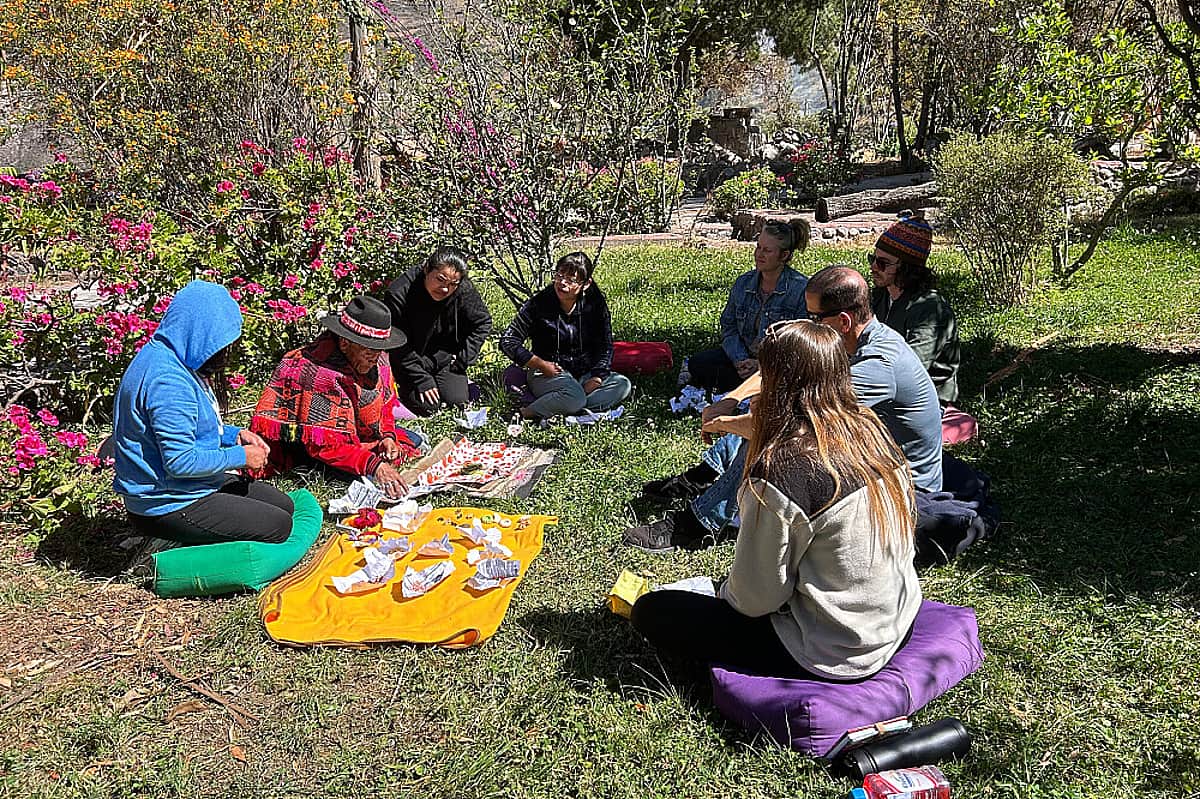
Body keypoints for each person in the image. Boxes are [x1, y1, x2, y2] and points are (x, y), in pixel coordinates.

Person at [630, 320, 922, 680]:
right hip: (896, 621)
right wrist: (723, 424)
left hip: (834, 650)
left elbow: (756, 601)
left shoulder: (782, 474)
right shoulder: (867, 427)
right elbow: (771, 424)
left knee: (651, 610)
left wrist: (724, 593)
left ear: (775, 382)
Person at [625, 265, 943, 552]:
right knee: (766, 409)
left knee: (768, 435)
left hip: (900, 490)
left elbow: (786, 427)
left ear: (843, 321)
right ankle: (706, 476)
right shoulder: (847, 340)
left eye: (815, 318)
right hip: (865, 458)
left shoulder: (877, 366)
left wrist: (723, 422)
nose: (809, 324)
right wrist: (731, 400)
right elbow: (780, 371)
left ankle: (697, 525)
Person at [112, 280, 294, 545]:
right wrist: (240, 457)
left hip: (182, 486)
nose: (224, 352)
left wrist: (234, 435)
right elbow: (180, 463)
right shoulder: (168, 383)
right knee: (279, 525)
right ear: (202, 334)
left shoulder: (168, 354)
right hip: (165, 503)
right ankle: (164, 548)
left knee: (283, 505)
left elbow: (189, 428)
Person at [249, 296, 419, 499]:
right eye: (368, 349)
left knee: (410, 441)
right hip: (308, 444)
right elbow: (323, 445)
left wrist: (387, 437)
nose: (375, 356)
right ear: (345, 343)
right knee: (362, 475)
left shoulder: (379, 361)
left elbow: (384, 407)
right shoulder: (318, 373)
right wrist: (374, 465)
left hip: (352, 434)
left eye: (379, 349)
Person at [499, 251, 631, 419]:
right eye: (559, 276)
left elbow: (605, 344)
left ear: (586, 283)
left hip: (584, 373)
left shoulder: (595, 305)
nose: (562, 283)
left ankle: (563, 406)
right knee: (575, 397)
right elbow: (508, 341)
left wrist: (597, 377)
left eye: (571, 280)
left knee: (622, 385)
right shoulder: (539, 304)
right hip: (549, 372)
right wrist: (539, 364)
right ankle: (526, 413)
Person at [685, 218, 810, 393]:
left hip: (778, 364)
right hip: (743, 358)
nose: (759, 254)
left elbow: (802, 343)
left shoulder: (800, 289)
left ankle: (754, 386)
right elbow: (729, 326)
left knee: (792, 377)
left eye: (767, 250)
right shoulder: (743, 283)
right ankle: (752, 386)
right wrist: (740, 359)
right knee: (699, 363)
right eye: (758, 247)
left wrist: (761, 366)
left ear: (784, 255)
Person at [383, 246, 493, 416]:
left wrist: (463, 360)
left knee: (458, 403)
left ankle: (447, 381)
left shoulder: (462, 289)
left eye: (452, 284)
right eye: (440, 280)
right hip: (409, 359)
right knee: (429, 407)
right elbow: (395, 341)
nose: (444, 289)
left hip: (445, 358)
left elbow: (482, 322)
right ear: (427, 269)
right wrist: (421, 379)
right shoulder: (400, 292)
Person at [868, 212, 961, 405]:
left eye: (882, 263)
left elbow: (910, 368)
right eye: (873, 259)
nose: (874, 267)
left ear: (906, 267)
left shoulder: (930, 310)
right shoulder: (879, 297)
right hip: (883, 390)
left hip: (924, 401)